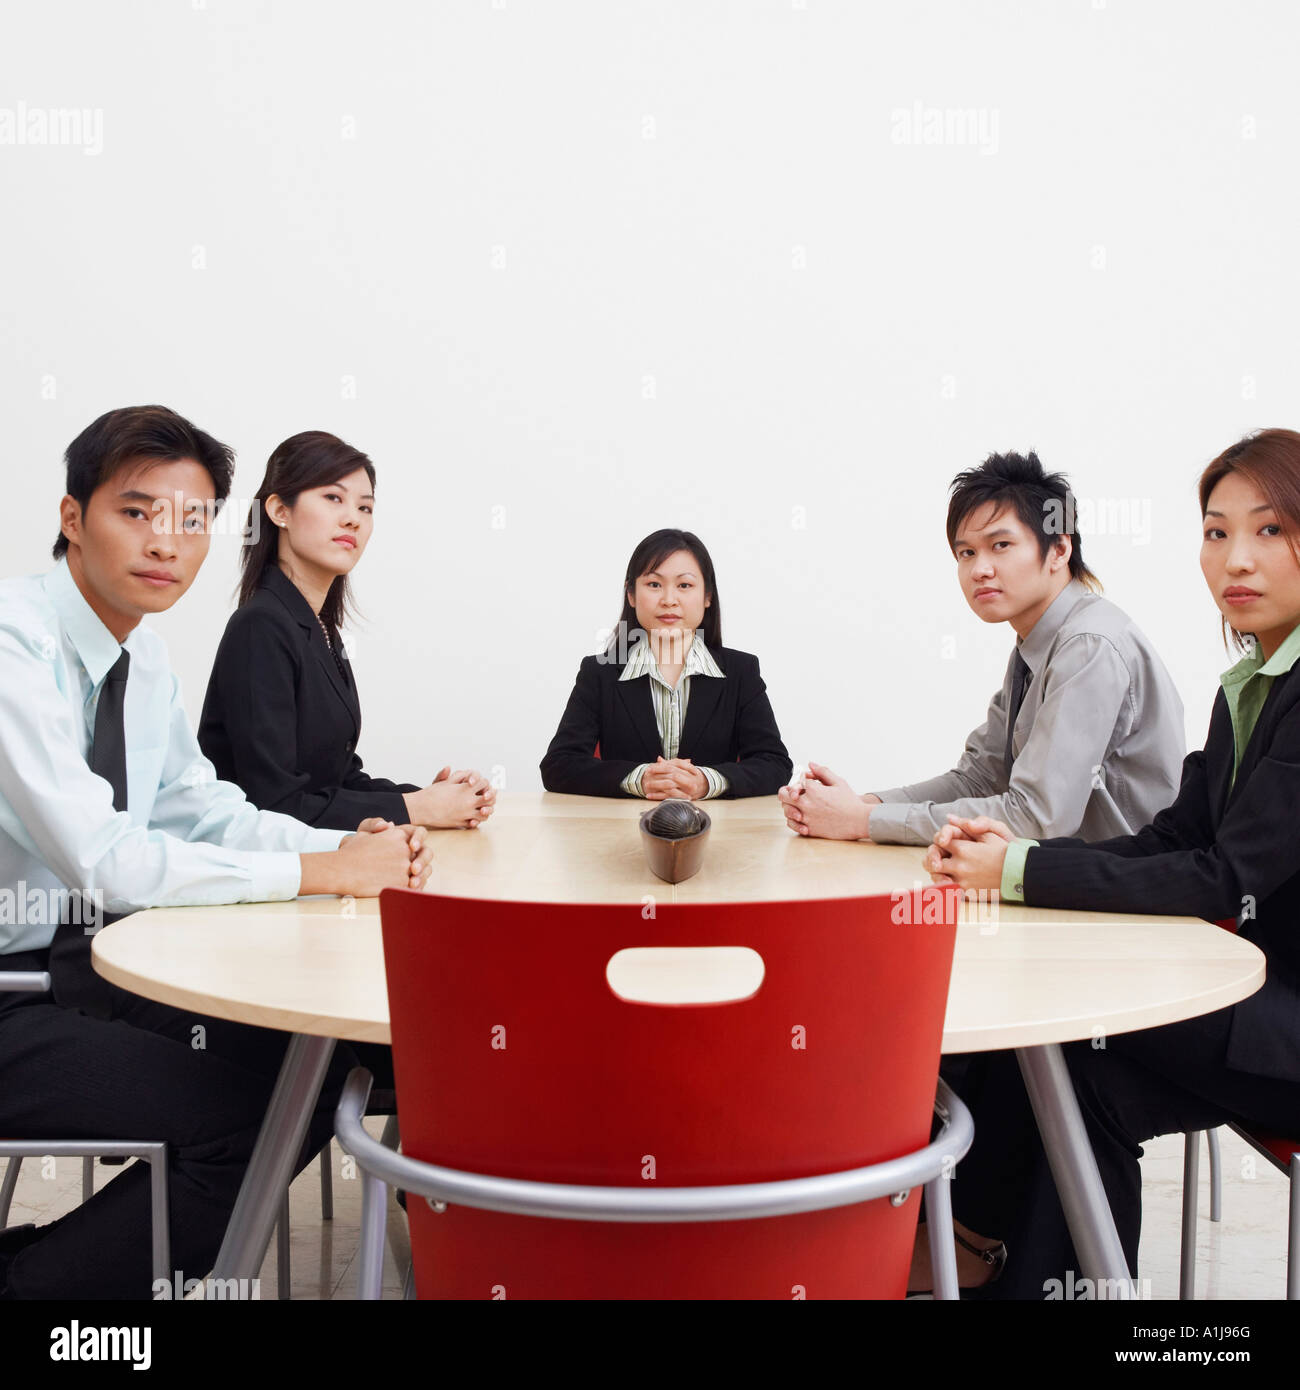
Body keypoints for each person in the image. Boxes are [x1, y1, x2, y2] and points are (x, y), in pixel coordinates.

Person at [0, 406, 433, 1300]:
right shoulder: (15, 646)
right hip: (17, 990)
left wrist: (349, 845)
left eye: (192, 520)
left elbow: (205, 812)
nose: (168, 542)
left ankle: (47, 1268)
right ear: (72, 517)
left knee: (321, 1068)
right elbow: (105, 858)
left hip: (91, 967)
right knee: (252, 1119)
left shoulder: (144, 660)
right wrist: (316, 870)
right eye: (137, 512)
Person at [923, 428, 1300, 1298]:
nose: (1235, 558)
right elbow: (1174, 837)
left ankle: (970, 1248)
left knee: (1040, 1022)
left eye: (1270, 530)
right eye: (1216, 532)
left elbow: (1223, 877)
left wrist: (1023, 871)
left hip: (1283, 1022)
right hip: (1247, 990)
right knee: (1072, 1074)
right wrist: (1022, 865)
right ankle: (1013, 1267)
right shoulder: (1250, 685)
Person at [780, 451, 1185, 847]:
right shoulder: (1035, 646)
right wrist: (861, 806)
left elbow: (1036, 818)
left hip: (1127, 884)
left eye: (1001, 545)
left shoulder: (1088, 646)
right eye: (966, 553)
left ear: (1060, 550)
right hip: (1070, 875)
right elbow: (978, 778)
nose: (979, 569)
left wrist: (861, 821)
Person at [198, 431, 494, 832]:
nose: (353, 518)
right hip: (257, 860)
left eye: (365, 507)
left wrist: (432, 797)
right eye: (333, 498)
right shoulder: (261, 626)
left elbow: (337, 779)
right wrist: (416, 808)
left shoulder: (320, 627)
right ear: (280, 511)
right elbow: (275, 805)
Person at [540, 528, 792, 798]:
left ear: (707, 596)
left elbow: (774, 765)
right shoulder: (599, 673)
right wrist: (640, 779)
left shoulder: (741, 672)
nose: (669, 600)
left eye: (684, 586)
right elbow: (558, 766)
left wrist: (706, 782)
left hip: (714, 823)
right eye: (654, 584)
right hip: (623, 823)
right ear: (631, 594)